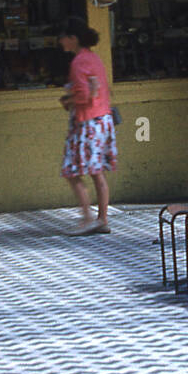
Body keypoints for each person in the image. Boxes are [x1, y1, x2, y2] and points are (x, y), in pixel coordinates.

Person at [58, 21, 117, 234]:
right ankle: (102, 219)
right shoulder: (94, 58)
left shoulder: (78, 62)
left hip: (86, 123)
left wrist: (68, 100)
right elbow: (96, 89)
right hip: (102, 120)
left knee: (72, 171)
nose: (60, 41)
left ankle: (87, 218)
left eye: (63, 36)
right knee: (97, 172)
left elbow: (84, 94)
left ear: (73, 38)